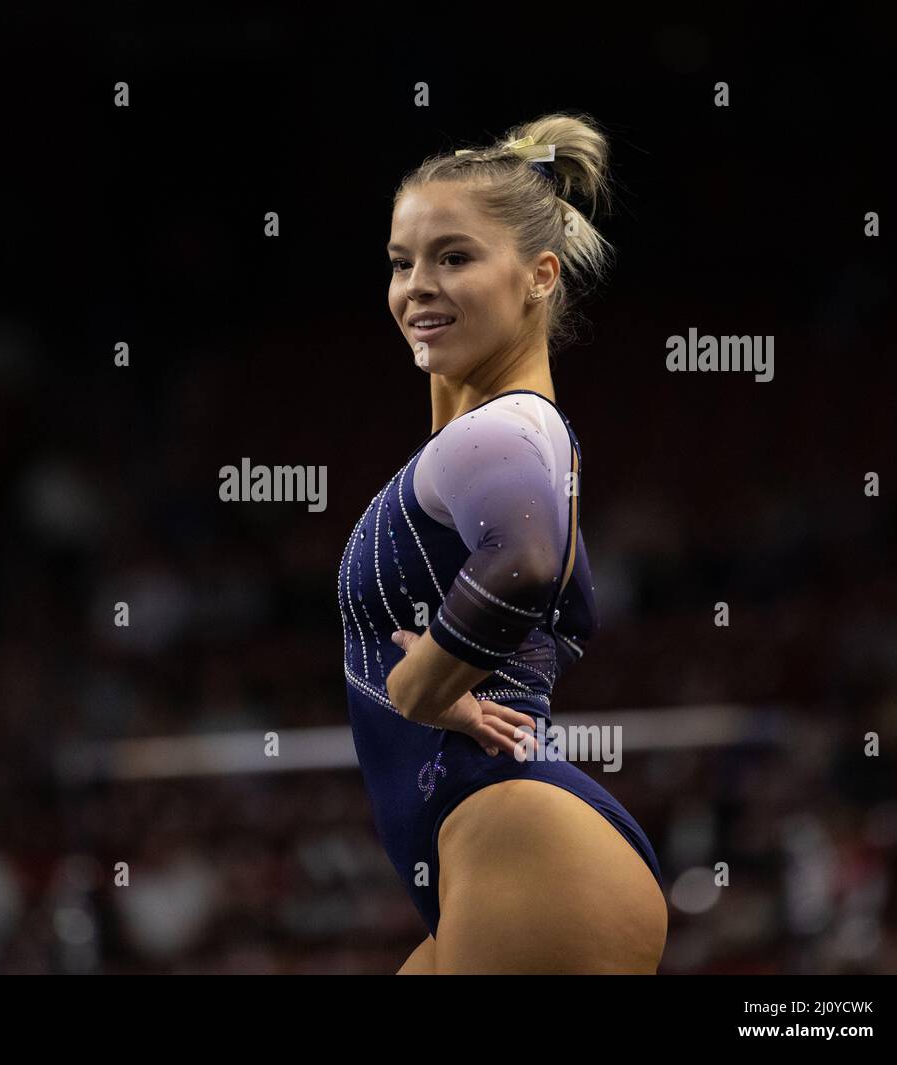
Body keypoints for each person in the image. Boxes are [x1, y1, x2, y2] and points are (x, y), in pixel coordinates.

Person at [337, 114, 667, 973]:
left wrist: (416, 683)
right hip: (490, 847)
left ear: (539, 276)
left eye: (454, 257)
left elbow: (520, 561)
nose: (416, 285)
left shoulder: (511, 428)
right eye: (400, 262)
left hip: (522, 840)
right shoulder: (484, 437)